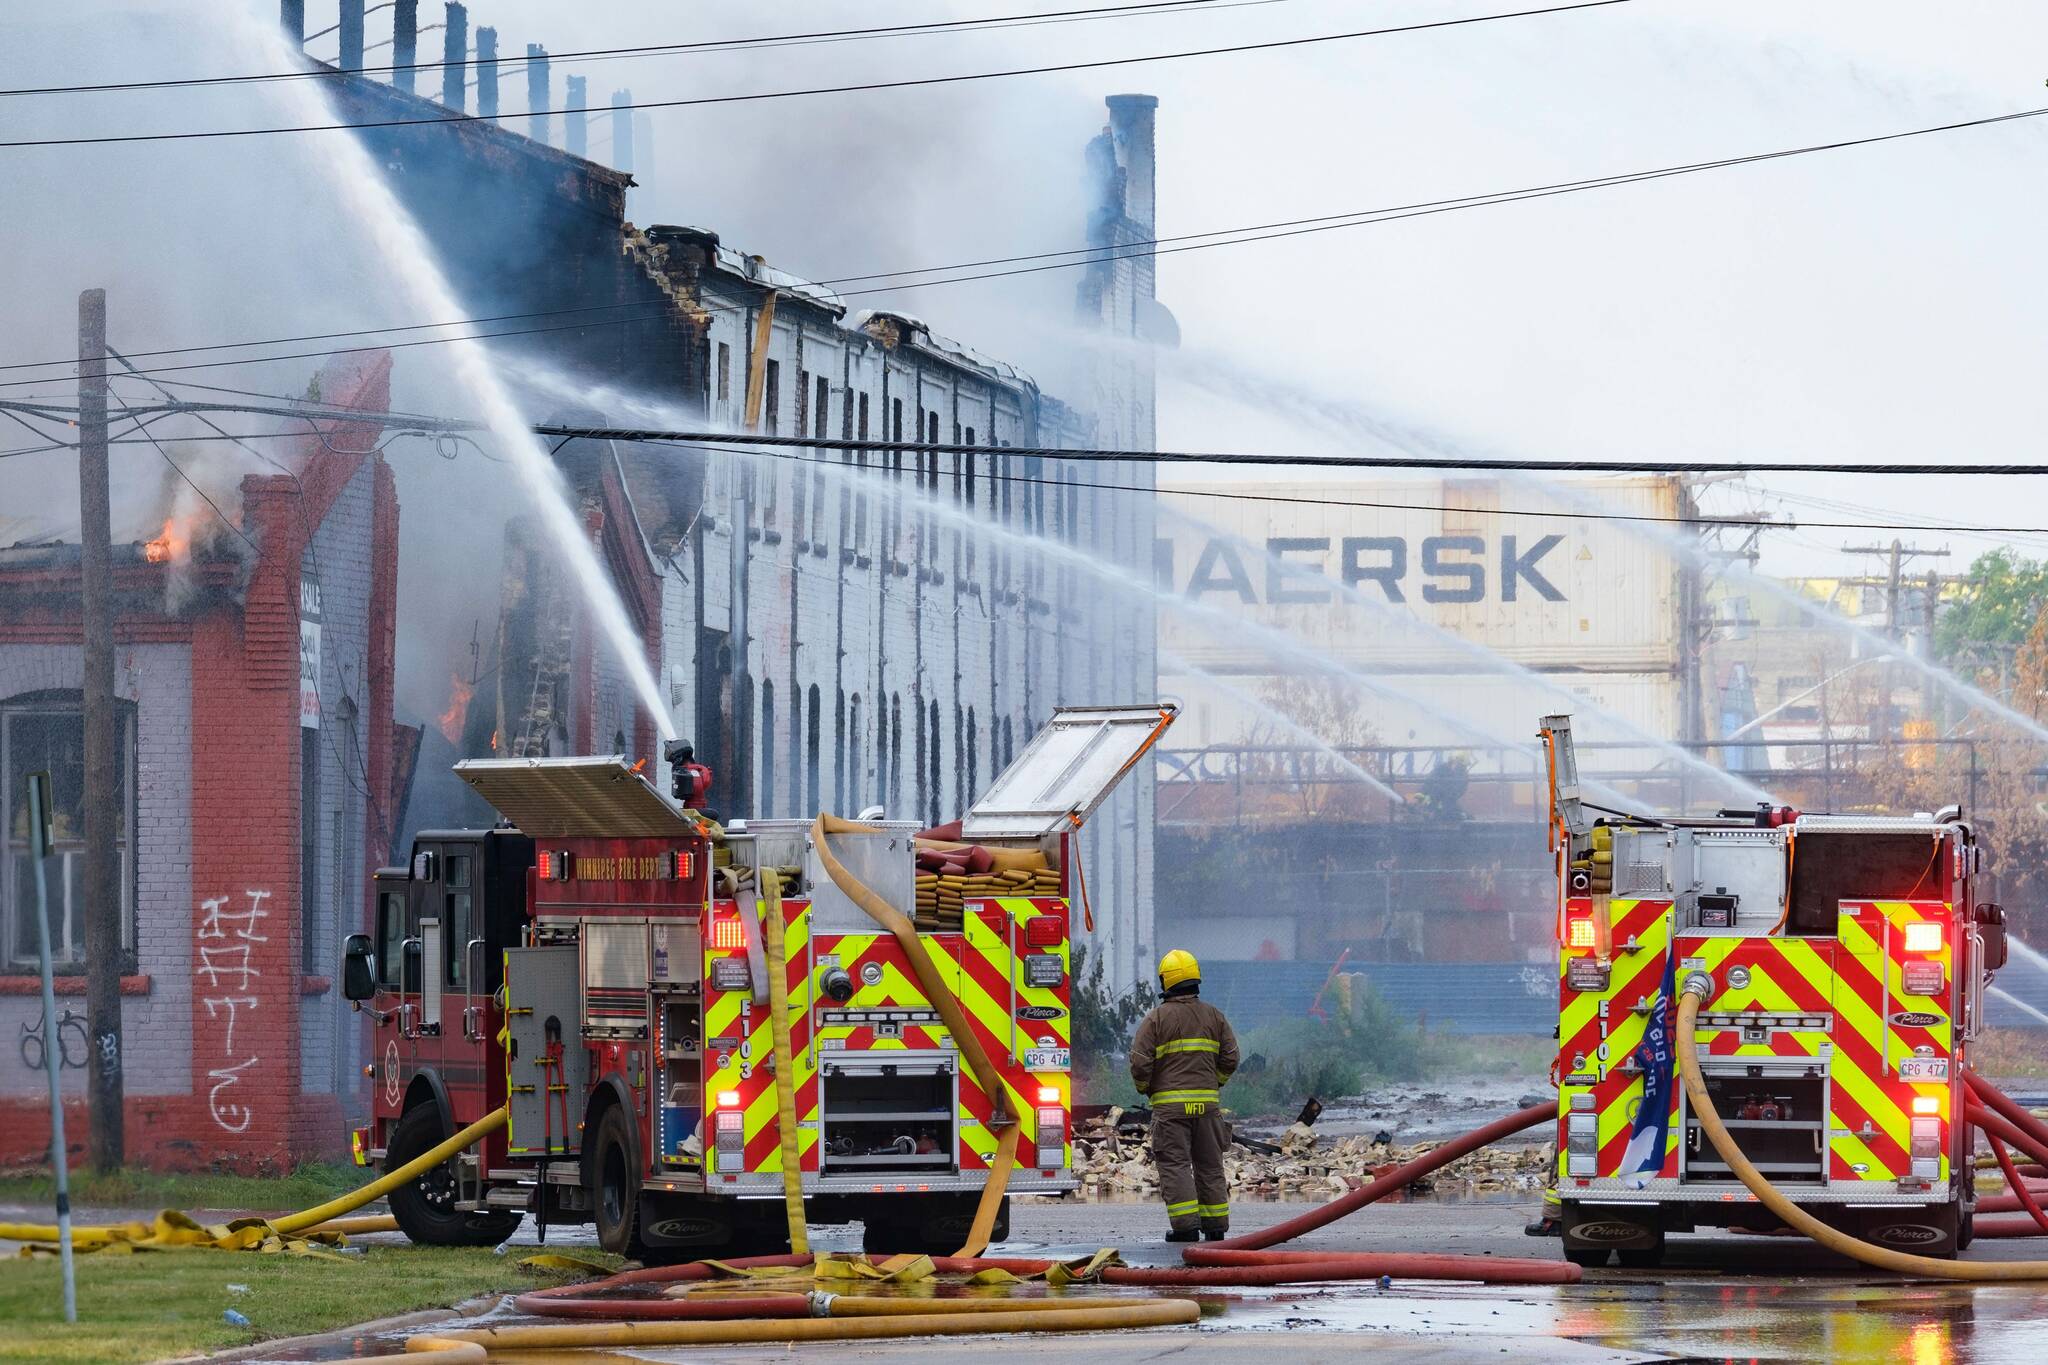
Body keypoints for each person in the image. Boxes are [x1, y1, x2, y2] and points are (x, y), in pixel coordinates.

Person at [1130, 949, 1239, 1242]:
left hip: (1171, 1110)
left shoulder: (1156, 1019)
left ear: (1166, 980)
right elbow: (1231, 1057)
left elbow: (1140, 1062)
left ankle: (1186, 1228)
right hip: (1207, 1108)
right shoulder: (1214, 1016)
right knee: (1210, 1164)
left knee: (1175, 1164)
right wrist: (1215, 1083)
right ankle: (1215, 1227)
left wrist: (1146, 1088)